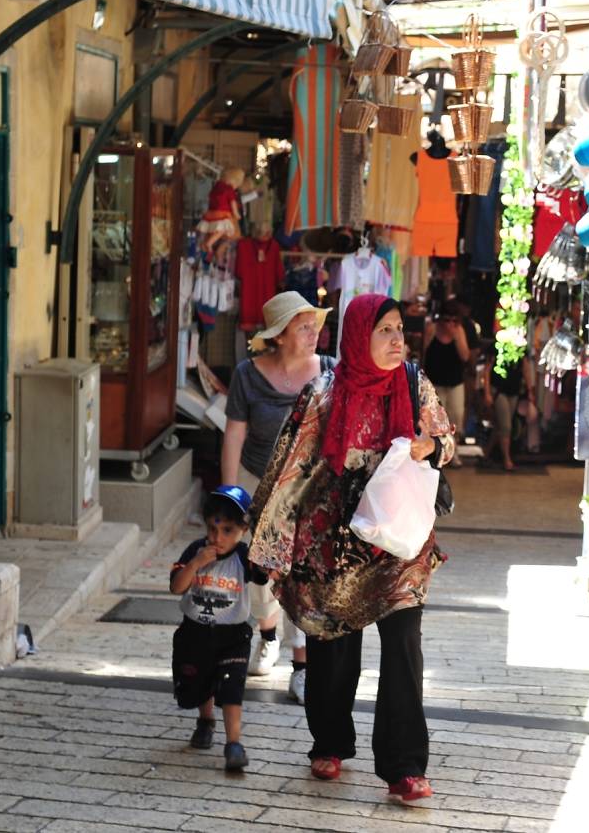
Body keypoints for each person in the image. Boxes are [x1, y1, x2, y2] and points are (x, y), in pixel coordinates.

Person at [249, 293, 455, 805]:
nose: (396, 340)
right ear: (360, 336)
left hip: (399, 546)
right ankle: (330, 742)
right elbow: (290, 469)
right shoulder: (323, 394)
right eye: (384, 330)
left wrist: (431, 447)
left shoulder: (414, 384)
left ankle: (405, 767)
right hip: (334, 545)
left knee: (404, 646)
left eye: (399, 330)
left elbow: (447, 440)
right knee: (332, 646)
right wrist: (270, 545)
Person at [222, 291, 333, 701]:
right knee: (259, 573)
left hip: (307, 489)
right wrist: (230, 497)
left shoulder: (330, 371)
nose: (313, 333)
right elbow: (234, 435)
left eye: (314, 325)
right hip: (256, 482)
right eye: (303, 327)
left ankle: (301, 665)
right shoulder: (247, 375)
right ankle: (267, 635)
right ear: (279, 335)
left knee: (299, 575)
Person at [169, 485, 268, 772]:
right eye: (213, 529)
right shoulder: (195, 551)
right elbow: (177, 587)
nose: (218, 538)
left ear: (243, 530)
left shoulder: (244, 556)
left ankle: (234, 744)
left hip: (233, 636)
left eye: (227, 530)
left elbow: (262, 575)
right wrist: (196, 563)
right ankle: (206, 720)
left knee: (232, 688)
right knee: (200, 683)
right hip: (195, 633)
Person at [423, 303, 470, 465]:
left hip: (455, 382)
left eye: (454, 320)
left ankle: (453, 452)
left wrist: (456, 337)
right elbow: (423, 352)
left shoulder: (459, 331)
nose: (450, 324)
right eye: (446, 320)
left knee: (456, 416)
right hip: (435, 382)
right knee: (436, 420)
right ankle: (437, 453)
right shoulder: (432, 329)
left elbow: (465, 356)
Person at [483, 350, 535, 472]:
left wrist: (529, 390)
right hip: (498, 390)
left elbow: (525, 369)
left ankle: (486, 453)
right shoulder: (497, 346)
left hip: (514, 391)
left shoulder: (521, 347)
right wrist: (487, 392)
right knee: (506, 426)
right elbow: (487, 370)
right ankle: (507, 459)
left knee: (501, 425)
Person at [198, 167, 245, 258]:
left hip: (211, 213)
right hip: (222, 214)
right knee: (222, 230)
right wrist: (236, 214)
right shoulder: (229, 189)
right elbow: (232, 203)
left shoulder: (216, 186)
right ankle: (209, 243)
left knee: (213, 230)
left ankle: (206, 245)